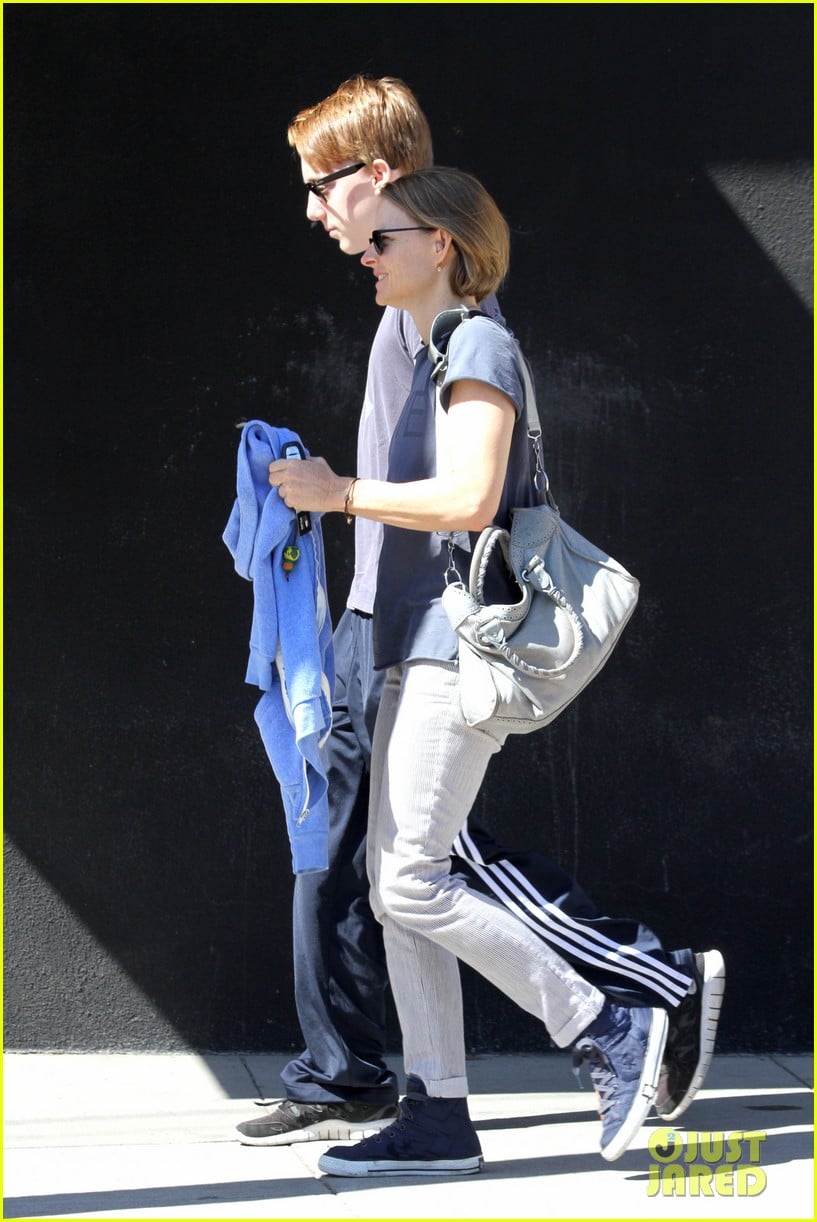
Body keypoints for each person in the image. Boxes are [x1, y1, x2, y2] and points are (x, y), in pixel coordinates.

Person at [235, 76, 724, 1151]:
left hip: (451, 641)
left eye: (378, 234)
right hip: (405, 635)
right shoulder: (420, 332)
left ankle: (610, 1018)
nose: (355, 248)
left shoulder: (473, 344)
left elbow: (466, 497)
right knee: (395, 876)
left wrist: (339, 494)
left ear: (435, 238)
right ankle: (436, 1108)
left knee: (413, 874)